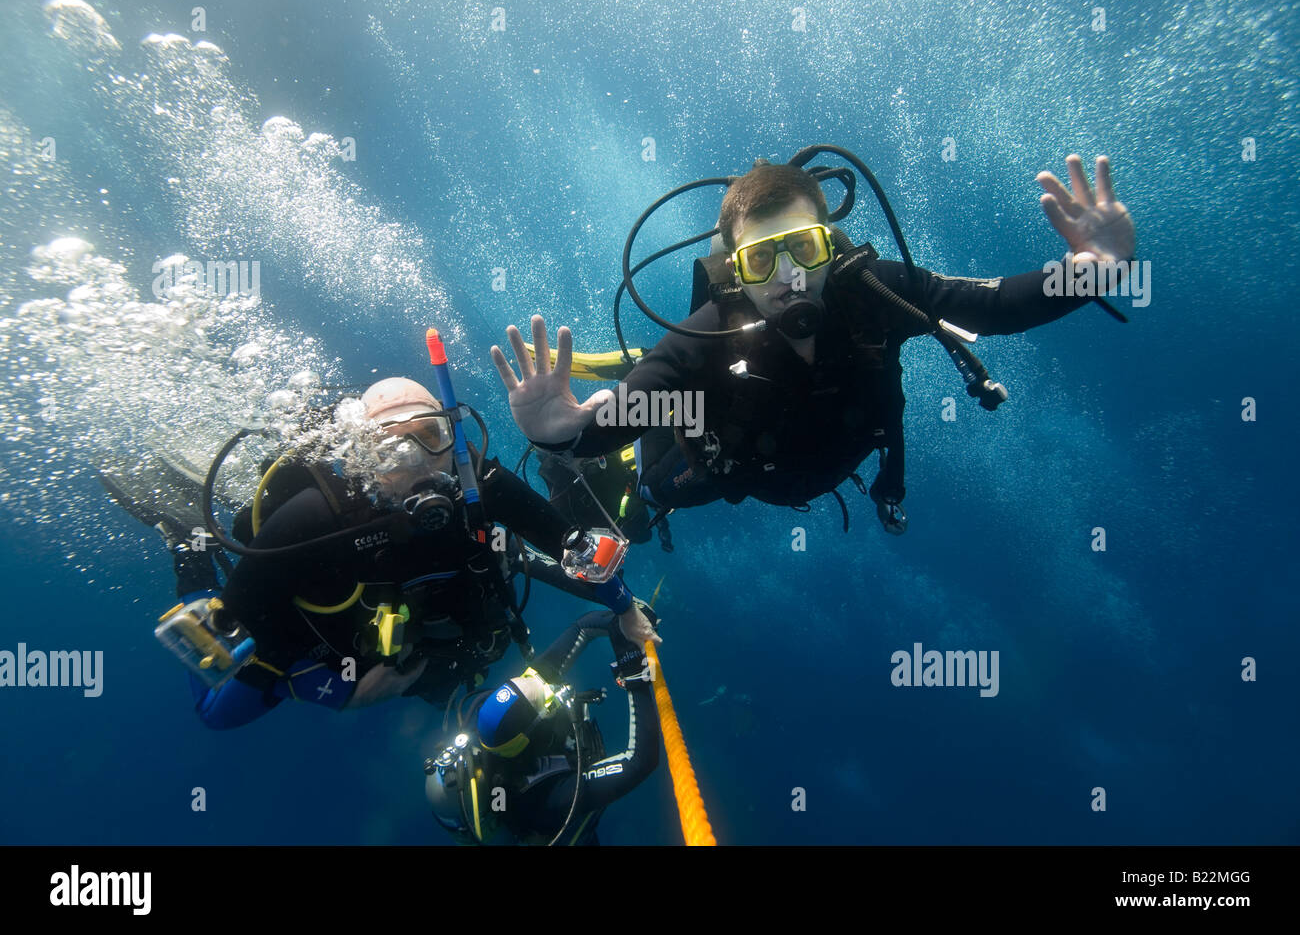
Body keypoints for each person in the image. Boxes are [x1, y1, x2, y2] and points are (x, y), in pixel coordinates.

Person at [491, 153, 1136, 533]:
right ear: (734, 272)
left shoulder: (876, 292)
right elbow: (624, 417)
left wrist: (1090, 272)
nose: (790, 278)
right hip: (721, 471)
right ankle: (636, 486)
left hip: (841, 459)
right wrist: (565, 431)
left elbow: (992, 306)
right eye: (762, 261)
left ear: (833, 244)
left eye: (804, 249)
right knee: (651, 497)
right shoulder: (705, 339)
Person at [105, 373, 658, 730]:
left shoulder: (481, 487)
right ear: (362, 459)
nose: (416, 461)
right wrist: (333, 693)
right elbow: (230, 631)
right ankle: (188, 541)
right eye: (391, 446)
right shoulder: (315, 520)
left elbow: (577, 548)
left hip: (436, 646)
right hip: (338, 644)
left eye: (430, 437)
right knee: (215, 712)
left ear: (454, 439)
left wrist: (624, 607)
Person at [425, 607, 659, 845]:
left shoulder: (515, 703)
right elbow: (640, 762)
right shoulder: (548, 799)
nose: (549, 686)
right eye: (548, 699)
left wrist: (623, 621)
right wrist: (635, 677)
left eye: (530, 680)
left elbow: (582, 627)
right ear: (532, 733)